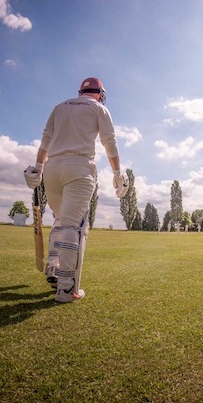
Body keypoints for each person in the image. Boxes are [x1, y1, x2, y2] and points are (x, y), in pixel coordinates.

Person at [24, 77, 129, 303]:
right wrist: (118, 174)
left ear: (80, 92)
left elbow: (46, 139)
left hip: (52, 167)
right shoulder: (99, 109)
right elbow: (109, 142)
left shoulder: (60, 107)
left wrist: (38, 168)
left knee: (61, 220)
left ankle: (53, 268)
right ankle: (66, 288)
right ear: (100, 93)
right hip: (80, 167)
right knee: (75, 226)